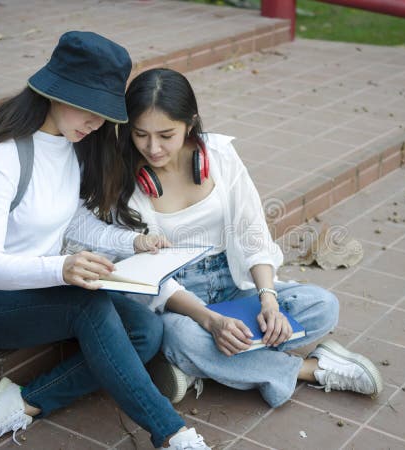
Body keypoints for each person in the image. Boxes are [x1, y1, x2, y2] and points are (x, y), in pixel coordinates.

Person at [0, 33, 209, 450]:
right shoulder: (4, 156)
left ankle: (27, 401)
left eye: (104, 113)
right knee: (87, 301)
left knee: (146, 330)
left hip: (36, 289)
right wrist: (60, 269)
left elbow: (73, 221)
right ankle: (173, 434)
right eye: (88, 108)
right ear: (54, 92)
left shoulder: (70, 144)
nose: (97, 123)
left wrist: (132, 242)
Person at [67, 67, 383, 409]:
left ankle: (205, 367)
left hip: (234, 280)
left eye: (166, 135)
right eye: (140, 134)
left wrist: (269, 301)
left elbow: (252, 231)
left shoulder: (219, 155)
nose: (153, 148)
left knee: (323, 306)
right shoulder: (123, 178)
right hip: (179, 297)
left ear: (190, 123)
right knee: (184, 338)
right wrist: (210, 320)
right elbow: (148, 273)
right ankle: (311, 370)